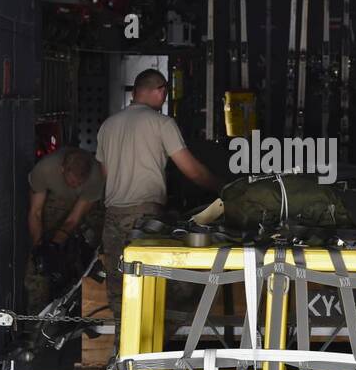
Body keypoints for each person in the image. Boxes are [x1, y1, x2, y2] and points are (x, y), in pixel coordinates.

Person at [96, 69, 221, 315]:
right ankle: (165, 334)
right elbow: (192, 171)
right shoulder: (162, 123)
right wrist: (222, 188)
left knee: (120, 288)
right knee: (161, 286)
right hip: (144, 219)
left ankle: (123, 338)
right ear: (161, 91)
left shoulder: (108, 126)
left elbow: (104, 175)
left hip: (112, 217)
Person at [24, 146, 104, 312]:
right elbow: (35, 212)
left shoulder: (95, 177)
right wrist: (41, 249)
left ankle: (80, 308)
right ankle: (36, 314)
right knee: (40, 264)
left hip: (85, 209)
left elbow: (73, 219)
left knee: (88, 256)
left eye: (79, 183)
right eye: (72, 181)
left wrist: (55, 245)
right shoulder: (44, 169)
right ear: (62, 169)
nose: (75, 185)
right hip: (55, 201)